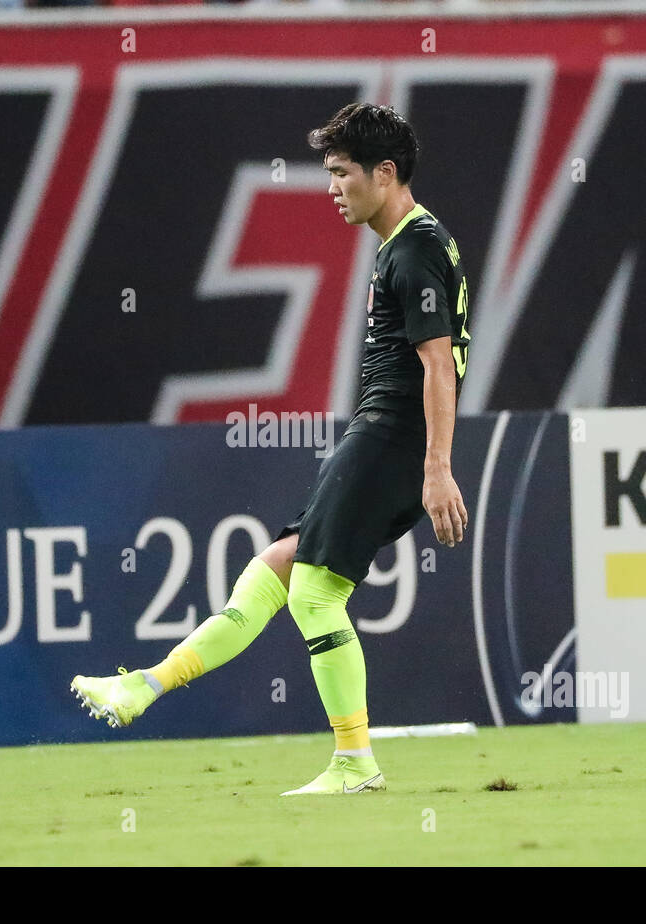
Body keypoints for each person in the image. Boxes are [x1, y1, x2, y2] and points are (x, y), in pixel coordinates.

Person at [72, 102, 471, 795]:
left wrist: (436, 467)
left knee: (315, 596)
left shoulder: (414, 248)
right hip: (384, 436)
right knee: (274, 571)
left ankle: (354, 761)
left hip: (392, 436)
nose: (331, 187)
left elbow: (439, 364)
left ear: (385, 173)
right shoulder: (409, 242)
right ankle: (144, 686)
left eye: (342, 173)